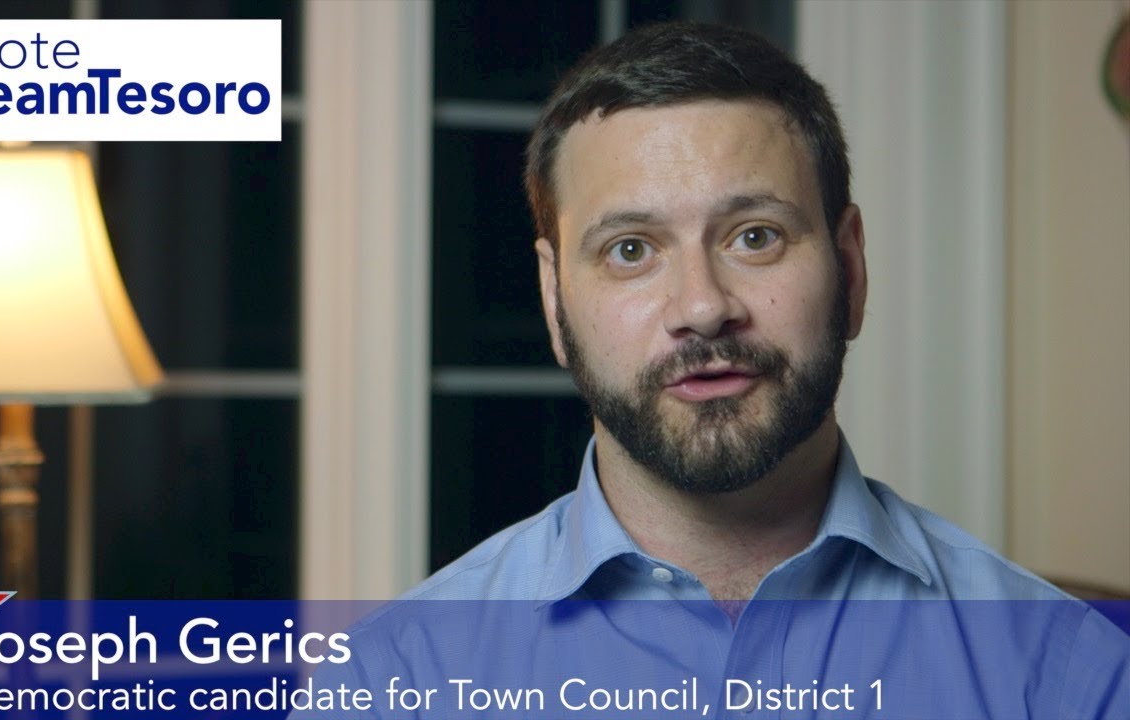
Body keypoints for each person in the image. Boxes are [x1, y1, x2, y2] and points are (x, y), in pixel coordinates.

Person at [296, 22, 1128, 718]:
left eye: (754, 236)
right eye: (631, 250)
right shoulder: (390, 685)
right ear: (555, 301)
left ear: (852, 267)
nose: (702, 305)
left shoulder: (1067, 678)